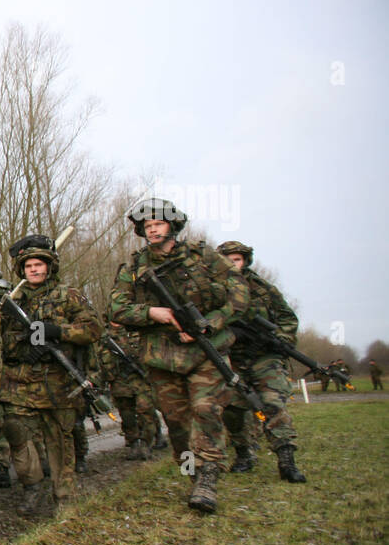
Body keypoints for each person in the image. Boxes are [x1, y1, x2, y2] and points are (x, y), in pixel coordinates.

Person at [110, 198, 249, 513]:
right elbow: (116, 307)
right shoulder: (134, 267)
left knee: (206, 409)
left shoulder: (203, 258)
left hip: (204, 352)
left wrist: (207, 324)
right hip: (163, 357)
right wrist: (153, 313)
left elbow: (239, 294)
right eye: (147, 226)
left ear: (171, 225)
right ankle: (194, 475)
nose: (152, 230)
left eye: (157, 224)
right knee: (177, 423)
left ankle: (209, 479)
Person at [0, 238, 102, 516]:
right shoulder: (13, 301)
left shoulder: (68, 295)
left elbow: (93, 329)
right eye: (28, 266)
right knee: (16, 434)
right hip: (19, 380)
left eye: (38, 265)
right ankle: (32, 487)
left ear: (49, 267)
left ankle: (64, 496)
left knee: (60, 440)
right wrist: (21, 340)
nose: (33, 270)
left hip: (57, 380)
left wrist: (56, 331)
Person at [217, 241, 306, 482]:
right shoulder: (215, 289)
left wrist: (282, 337)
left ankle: (286, 459)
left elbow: (287, 318)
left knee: (273, 403)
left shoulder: (263, 288)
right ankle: (244, 453)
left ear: (245, 261)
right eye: (227, 259)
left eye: (236, 259)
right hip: (231, 357)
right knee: (232, 409)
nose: (232, 264)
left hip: (264, 357)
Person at [100, 323, 160, 460]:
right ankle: (133, 444)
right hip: (120, 382)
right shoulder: (107, 336)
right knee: (127, 417)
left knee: (146, 412)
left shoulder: (139, 331)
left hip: (142, 380)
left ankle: (146, 443)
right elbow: (100, 359)